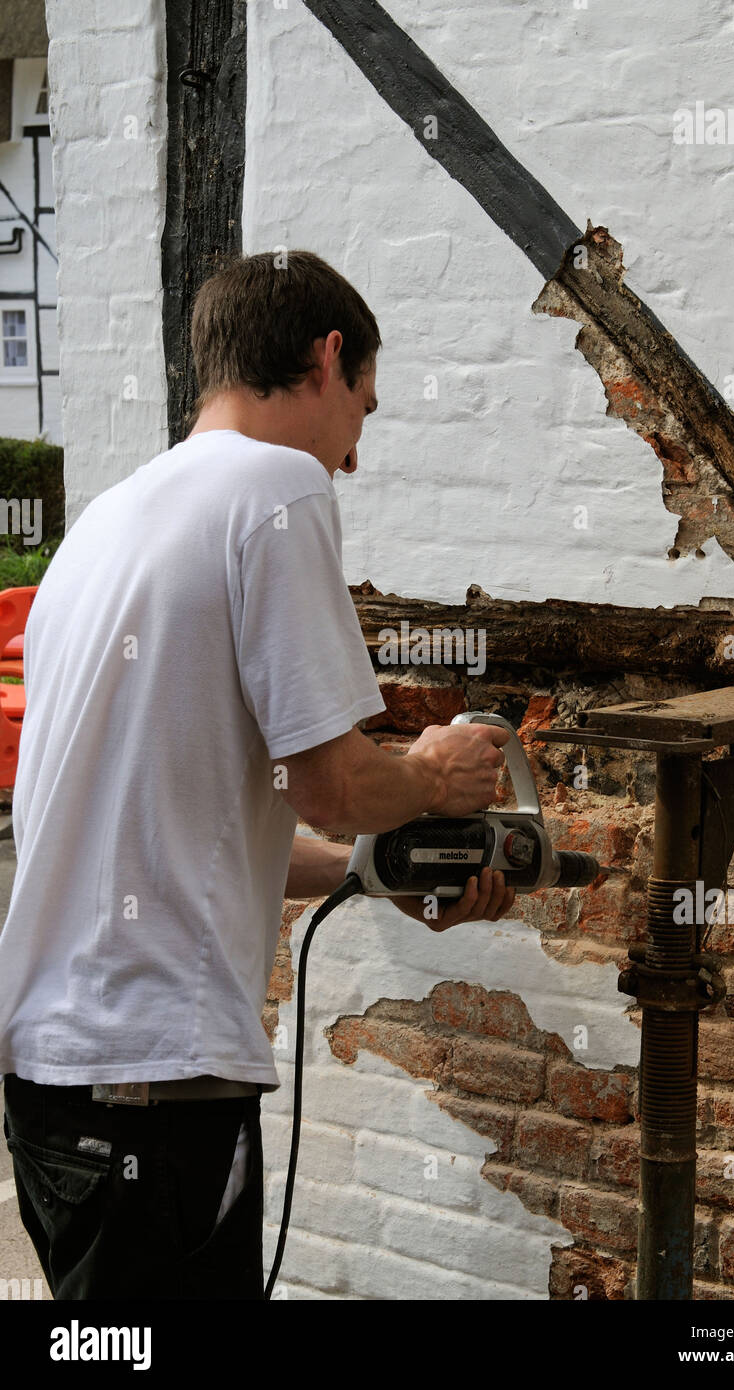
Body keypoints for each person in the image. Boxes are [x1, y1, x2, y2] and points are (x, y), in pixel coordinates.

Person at [0, 250, 514, 1300]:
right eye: (362, 411)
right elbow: (331, 783)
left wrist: (374, 873)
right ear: (326, 356)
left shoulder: (103, 524)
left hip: (57, 1085)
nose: (352, 457)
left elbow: (196, 832)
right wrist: (431, 772)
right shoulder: (275, 488)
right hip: (156, 1089)